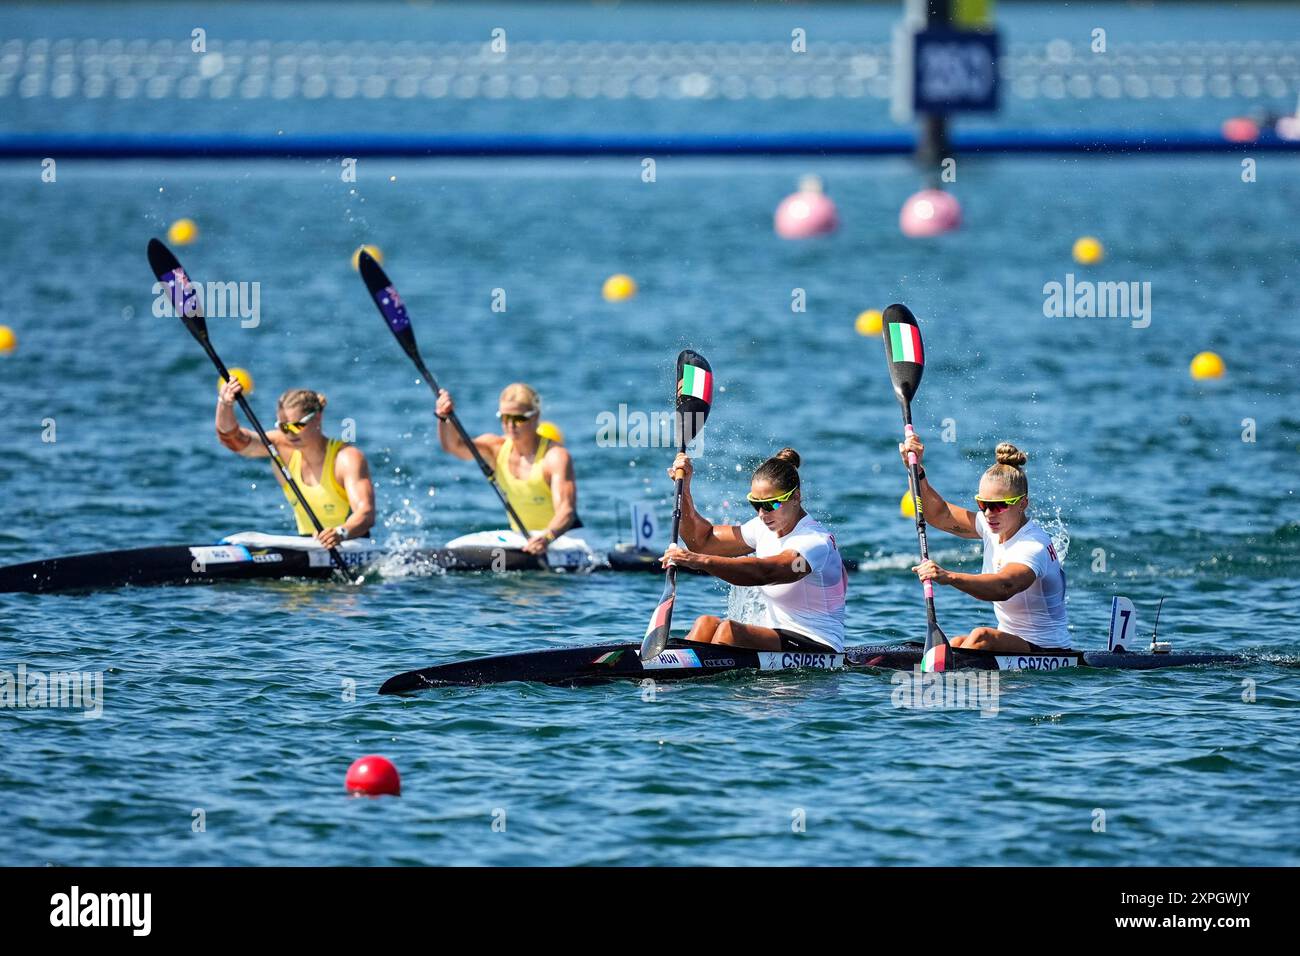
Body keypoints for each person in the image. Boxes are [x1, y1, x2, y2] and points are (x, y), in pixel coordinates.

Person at [658, 448, 846, 653]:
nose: (762, 514)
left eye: (771, 504)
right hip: (775, 638)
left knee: (729, 631)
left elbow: (766, 571)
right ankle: (672, 669)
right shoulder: (762, 526)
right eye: (755, 504)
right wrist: (684, 491)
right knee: (706, 623)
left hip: (819, 646)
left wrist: (699, 561)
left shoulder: (814, 542)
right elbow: (702, 540)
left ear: (796, 497)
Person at [901, 436, 1069, 652]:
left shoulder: (1032, 546)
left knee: (981, 636)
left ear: (1022, 504)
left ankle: (946, 678)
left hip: (1048, 649)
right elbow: (938, 514)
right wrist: (916, 470)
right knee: (957, 643)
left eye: (999, 505)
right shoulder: (993, 524)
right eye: (983, 504)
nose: (989, 514)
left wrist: (949, 577)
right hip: (1013, 643)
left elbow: (1004, 587)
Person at [215, 380, 375, 548]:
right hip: (308, 544)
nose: (289, 434)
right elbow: (232, 439)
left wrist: (341, 533)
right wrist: (225, 403)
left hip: (350, 544)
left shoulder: (346, 458)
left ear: (318, 417)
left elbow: (366, 513)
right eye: (283, 427)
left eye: (297, 426)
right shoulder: (280, 447)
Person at [434, 383, 580, 555]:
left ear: (536, 417)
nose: (511, 425)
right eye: (505, 418)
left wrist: (547, 537)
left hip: (563, 540)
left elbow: (566, 510)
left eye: (519, 418)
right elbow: (453, 446)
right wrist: (444, 417)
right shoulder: (495, 448)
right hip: (523, 538)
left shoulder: (555, 457)